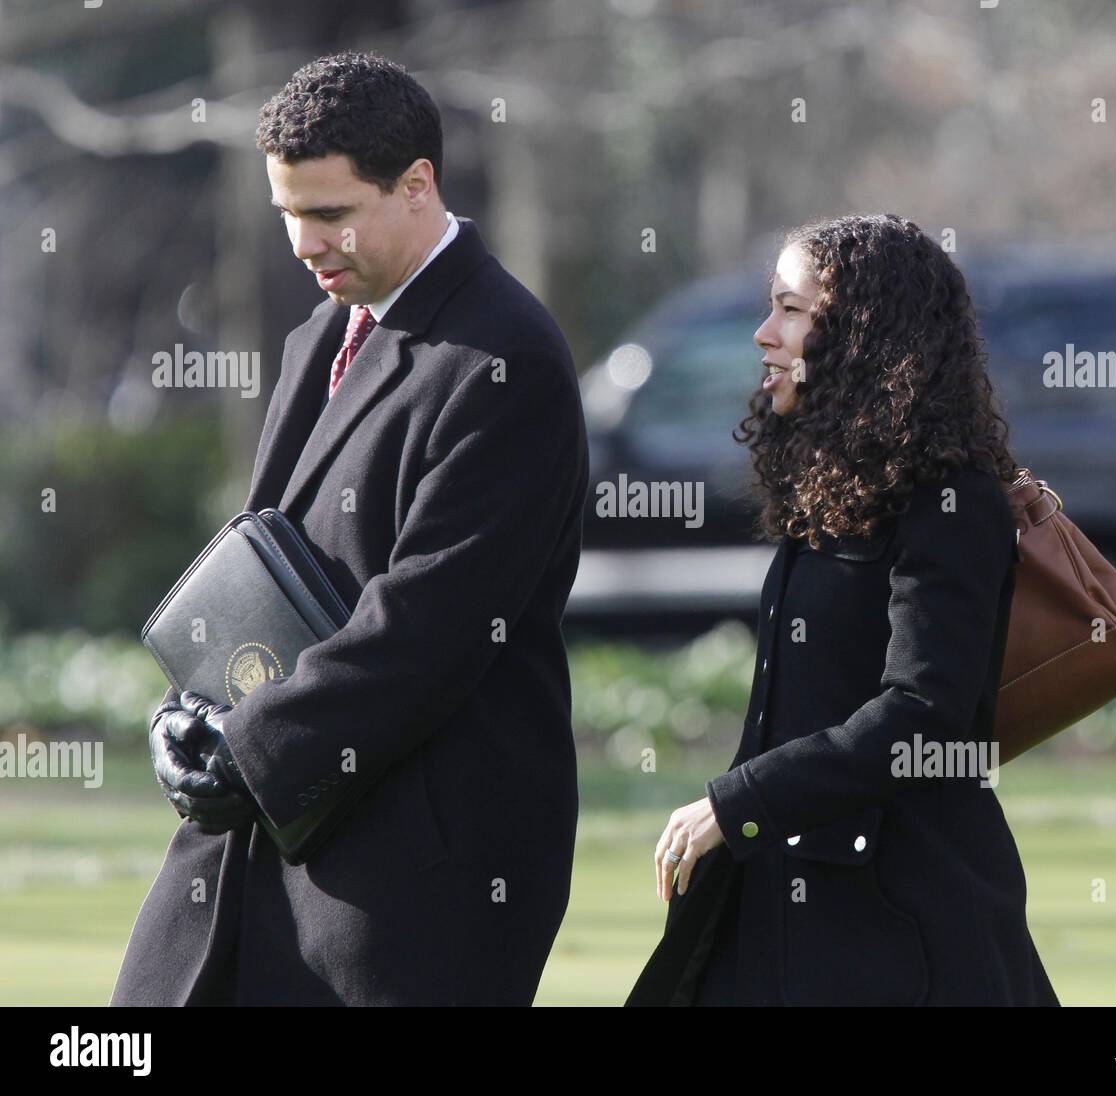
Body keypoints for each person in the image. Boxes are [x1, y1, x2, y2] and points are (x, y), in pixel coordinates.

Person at [111, 51, 589, 1006]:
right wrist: (188, 715)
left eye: (330, 214)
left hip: (411, 881)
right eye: (288, 214)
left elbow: (428, 632)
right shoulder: (321, 336)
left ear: (418, 186)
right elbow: (261, 568)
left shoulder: (508, 360)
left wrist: (247, 750)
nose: (302, 244)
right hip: (264, 835)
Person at [626, 213, 1059, 1006]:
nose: (764, 332)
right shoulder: (833, 487)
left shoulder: (950, 498)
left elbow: (922, 712)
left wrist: (738, 802)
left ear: (862, 333)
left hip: (899, 926)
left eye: (791, 310)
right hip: (779, 900)